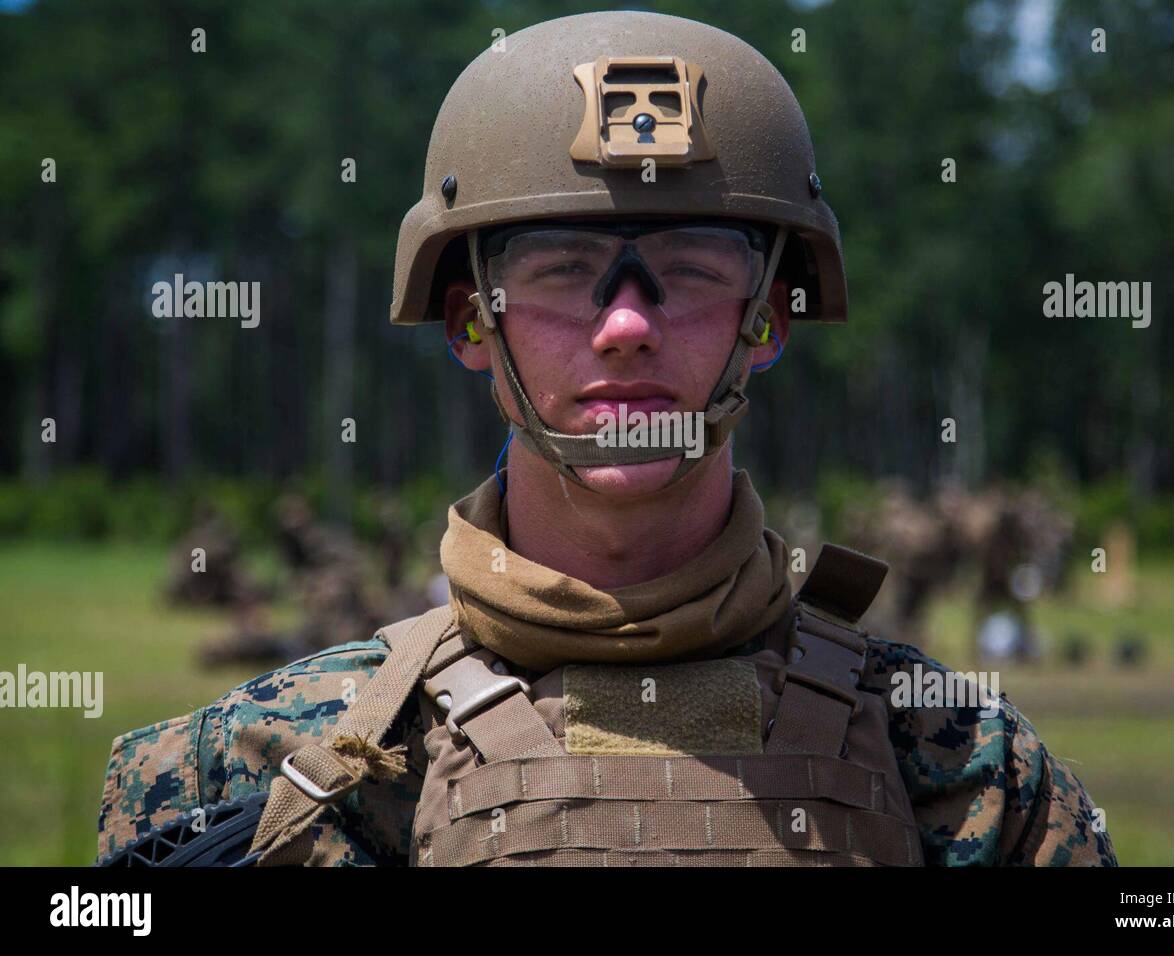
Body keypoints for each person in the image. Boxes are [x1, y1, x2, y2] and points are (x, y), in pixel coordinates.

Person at [96, 10, 1115, 867]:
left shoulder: (965, 772)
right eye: (559, 266)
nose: (626, 322)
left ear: (768, 319)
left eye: (695, 264)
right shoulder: (267, 771)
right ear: (470, 323)